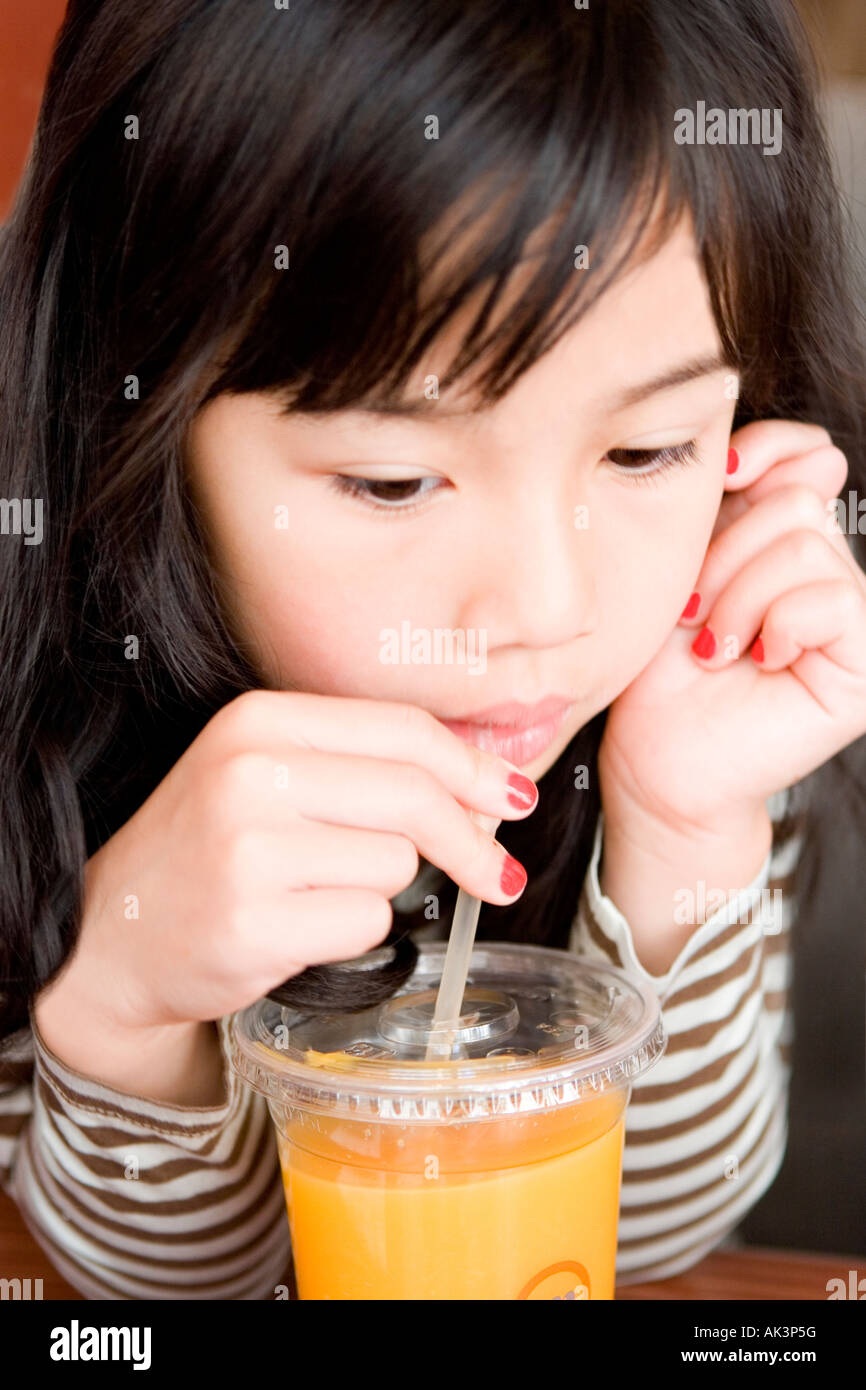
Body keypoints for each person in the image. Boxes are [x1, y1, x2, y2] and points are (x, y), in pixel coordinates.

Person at [1, 0, 864, 1299]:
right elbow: (179, 1291)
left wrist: (684, 829)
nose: (546, 605)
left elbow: (631, 1246)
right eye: (395, 481)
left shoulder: (692, 649)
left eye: (645, 451)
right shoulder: (38, 711)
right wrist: (123, 1008)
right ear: (142, 423)